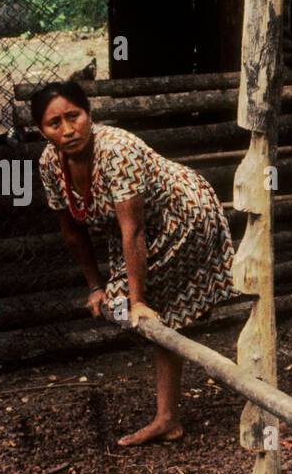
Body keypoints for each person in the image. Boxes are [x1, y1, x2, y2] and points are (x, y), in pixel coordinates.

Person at [32, 80, 236, 447]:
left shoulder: (116, 151)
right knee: (124, 301)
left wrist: (138, 299)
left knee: (155, 310)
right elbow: (72, 231)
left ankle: (168, 418)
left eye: (73, 117)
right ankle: (168, 416)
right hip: (139, 232)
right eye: (54, 123)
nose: (67, 130)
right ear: (41, 130)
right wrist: (95, 286)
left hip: (184, 214)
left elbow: (134, 228)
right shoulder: (50, 163)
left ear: (89, 113)